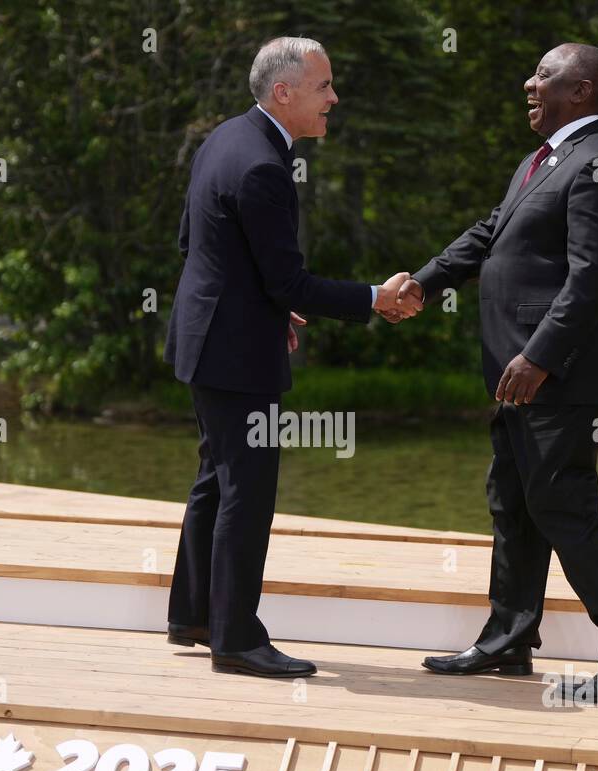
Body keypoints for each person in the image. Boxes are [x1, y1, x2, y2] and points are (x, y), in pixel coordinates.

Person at [395, 43, 598, 705]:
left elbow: (592, 279)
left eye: (544, 75)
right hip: (518, 369)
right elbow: (493, 231)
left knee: (563, 506)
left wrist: (542, 355)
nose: (529, 82)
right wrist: (424, 284)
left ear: (583, 91)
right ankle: (508, 636)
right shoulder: (543, 160)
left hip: (561, 373)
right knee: (513, 500)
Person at [164, 36, 418, 678]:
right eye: (324, 87)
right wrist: (374, 299)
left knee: (215, 480)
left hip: (207, 340)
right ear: (284, 93)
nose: (334, 98)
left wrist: (268, 309)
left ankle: (193, 616)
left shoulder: (225, 139)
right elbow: (288, 281)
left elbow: (195, 241)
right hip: (234, 353)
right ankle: (237, 639)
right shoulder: (263, 166)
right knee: (246, 493)